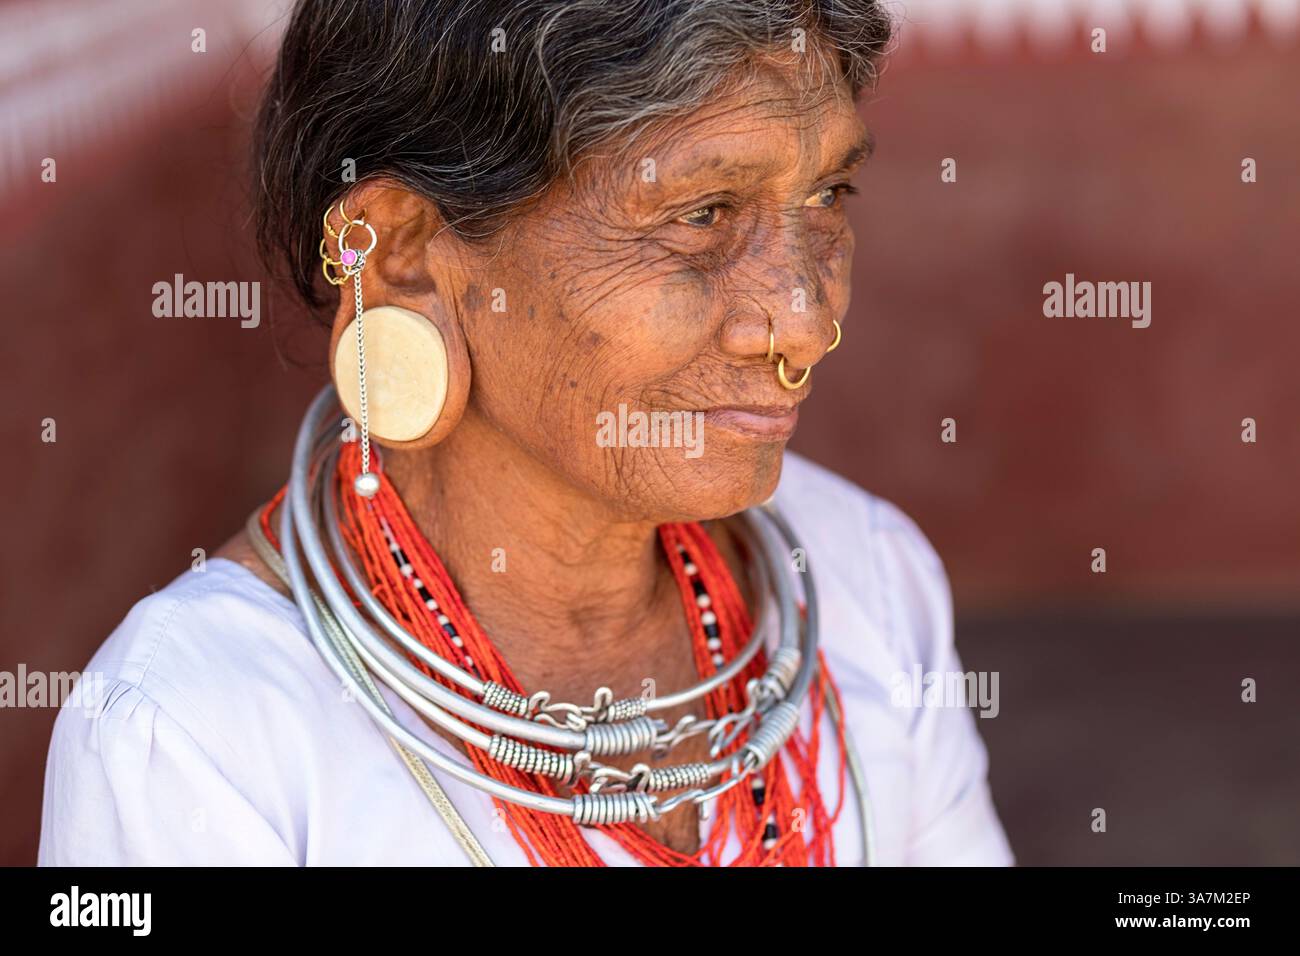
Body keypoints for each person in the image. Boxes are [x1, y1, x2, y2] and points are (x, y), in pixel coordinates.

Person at [39, 0, 1013, 867]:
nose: (804, 318)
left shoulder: (869, 584)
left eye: (828, 198)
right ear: (405, 256)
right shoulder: (195, 738)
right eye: (703, 213)